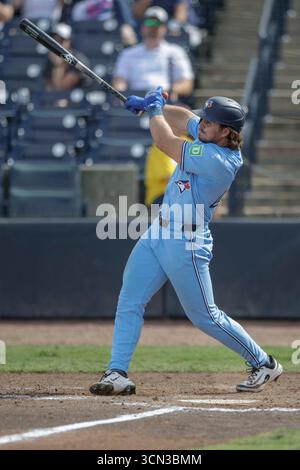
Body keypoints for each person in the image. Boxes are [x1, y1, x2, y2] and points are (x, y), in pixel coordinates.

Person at [89, 89, 283, 396]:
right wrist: (157, 107)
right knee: (130, 300)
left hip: (187, 241)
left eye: (211, 122)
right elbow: (184, 119)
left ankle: (263, 361)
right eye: (205, 119)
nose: (203, 124)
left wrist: (153, 113)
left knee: (204, 316)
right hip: (158, 232)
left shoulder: (219, 159)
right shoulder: (211, 135)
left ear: (227, 132)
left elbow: (164, 141)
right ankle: (117, 372)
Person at [112, 6, 194, 102]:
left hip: (164, 101)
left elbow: (187, 84)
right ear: (142, 26)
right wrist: (124, 97)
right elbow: (119, 81)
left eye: (158, 24)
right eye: (149, 22)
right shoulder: (128, 53)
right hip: (137, 102)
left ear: (165, 28)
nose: (153, 28)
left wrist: (168, 92)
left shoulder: (175, 52)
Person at [43, 22, 90, 91]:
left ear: (69, 42)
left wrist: (58, 65)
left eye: (60, 40)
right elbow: (48, 88)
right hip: (58, 98)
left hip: (79, 97)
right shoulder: (50, 59)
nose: (56, 44)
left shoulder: (78, 59)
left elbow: (63, 87)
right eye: (53, 40)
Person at [70, 0, 137, 46]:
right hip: (86, 40)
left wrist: (126, 26)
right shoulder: (80, 5)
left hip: (110, 38)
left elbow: (126, 28)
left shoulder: (117, 3)